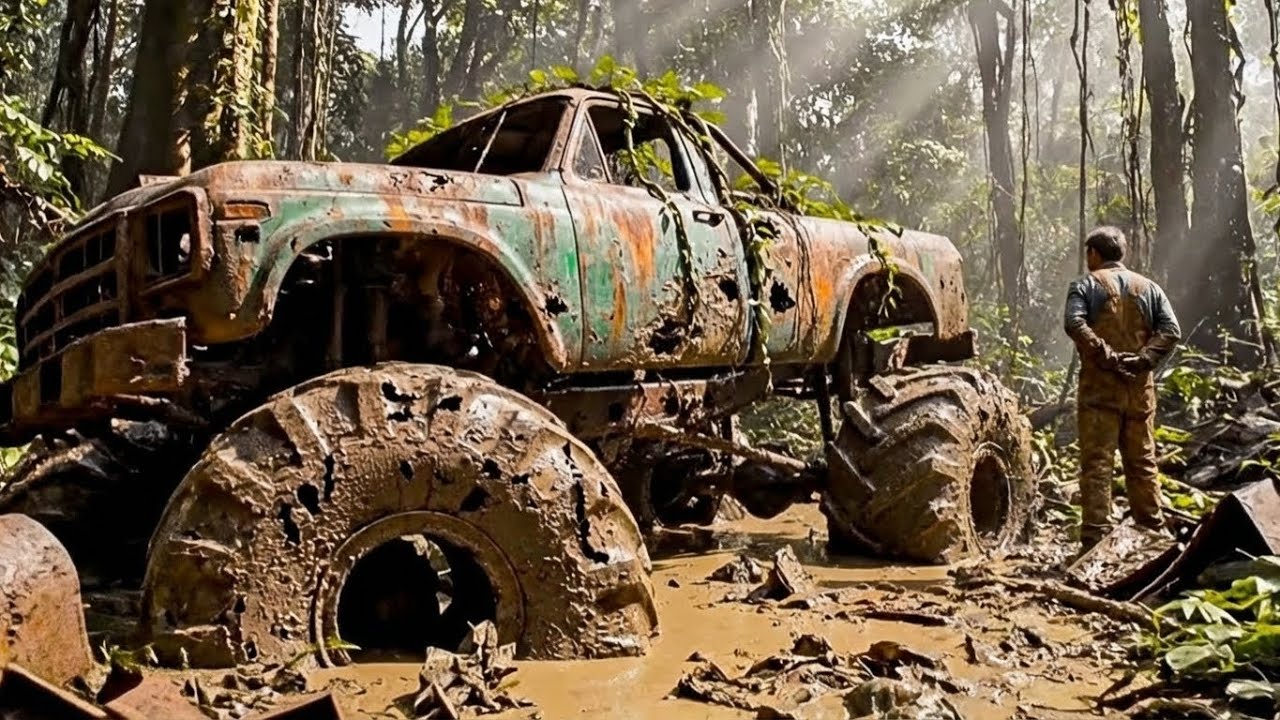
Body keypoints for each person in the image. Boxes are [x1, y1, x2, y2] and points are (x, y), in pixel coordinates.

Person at [1063, 227, 1181, 552]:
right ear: (1122, 254)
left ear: (1093, 254)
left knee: (1098, 463)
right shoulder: (1149, 288)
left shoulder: (1085, 285)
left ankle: (1095, 542)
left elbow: (1074, 323)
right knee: (1142, 462)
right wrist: (1144, 360)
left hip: (1100, 393)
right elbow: (1171, 331)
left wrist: (1105, 355)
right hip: (1138, 392)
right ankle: (1152, 536)